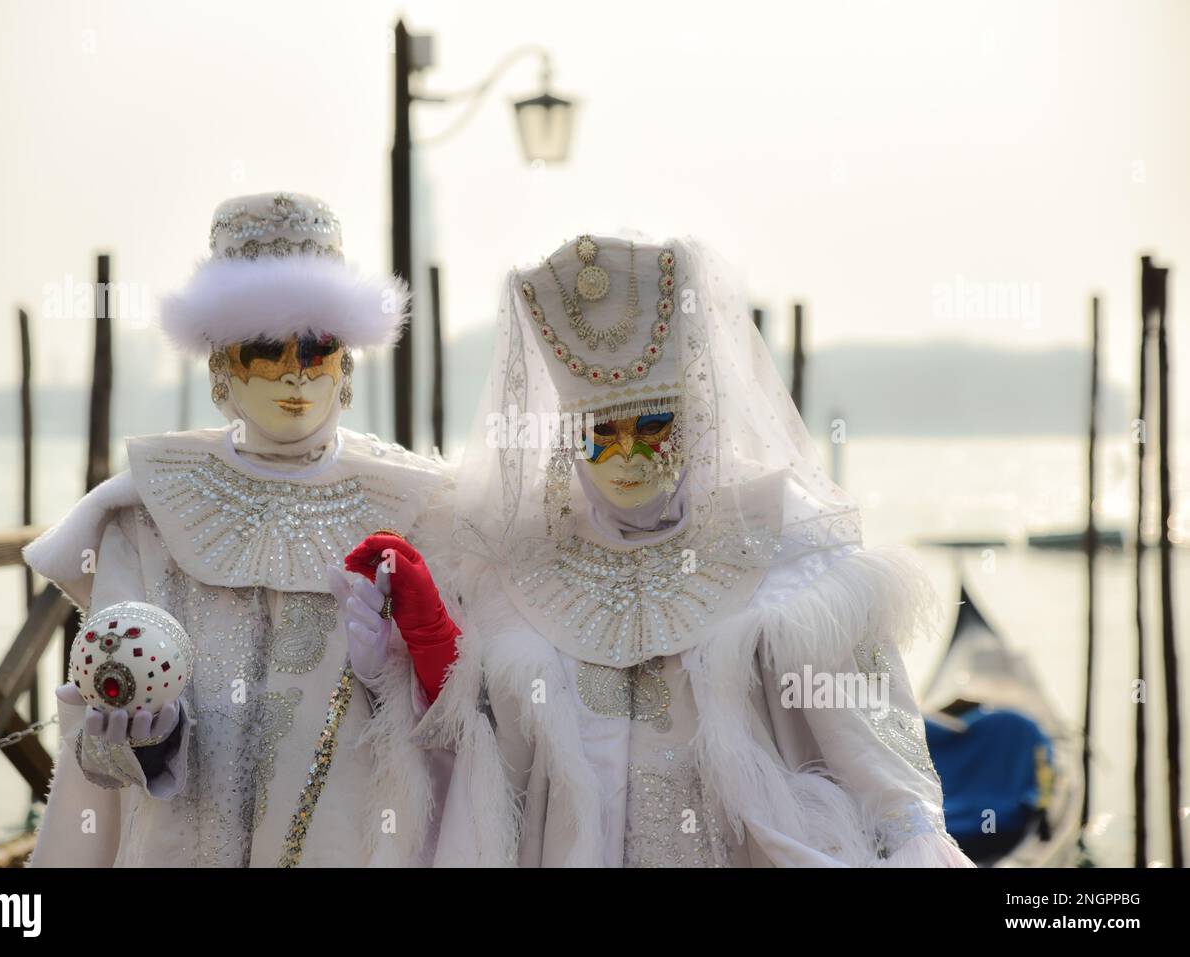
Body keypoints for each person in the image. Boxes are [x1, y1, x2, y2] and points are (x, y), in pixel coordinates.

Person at [345, 233, 974, 867]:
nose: (627, 456)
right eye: (602, 432)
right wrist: (404, 658)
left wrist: (912, 837)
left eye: (652, 426)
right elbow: (479, 758)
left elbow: (869, 743)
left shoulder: (782, 547)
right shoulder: (514, 575)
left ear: (694, 417)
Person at [23, 192, 460, 867]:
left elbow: (459, 731)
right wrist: (143, 735)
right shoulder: (147, 511)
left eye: (317, 347)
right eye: (264, 347)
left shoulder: (418, 506)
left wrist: (392, 675)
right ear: (222, 360)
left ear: (346, 359)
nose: (293, 370)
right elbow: (98, 741)